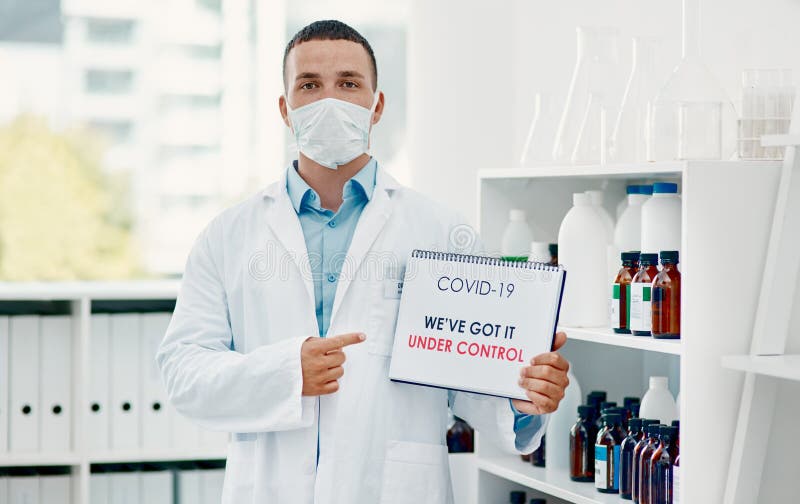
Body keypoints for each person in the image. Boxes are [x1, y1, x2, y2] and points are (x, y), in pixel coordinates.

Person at [157, 19, 570, 504]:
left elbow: (471, 378)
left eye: (348, 84)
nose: (329, 100)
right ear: (285, 109)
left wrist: (521, 398)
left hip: (392, 488)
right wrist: (287, 372)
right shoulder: (227, 236)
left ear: (377, 106)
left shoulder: (440, 232)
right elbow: (183, 371)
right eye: (309, 85)